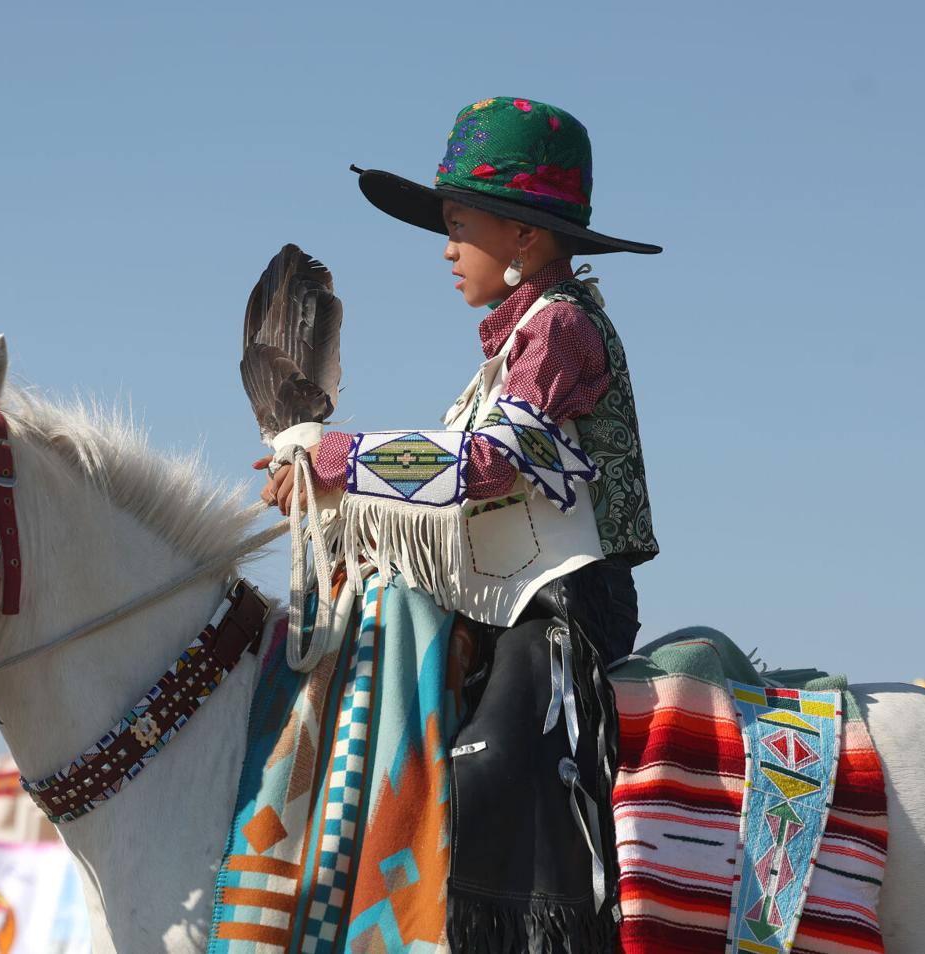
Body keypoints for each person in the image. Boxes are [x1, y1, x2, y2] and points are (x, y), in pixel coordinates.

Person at [256, 96, 660, 951]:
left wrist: (333, 461)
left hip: (558, 614)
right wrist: (329, 502)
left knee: (483, 779)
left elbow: (484, 466)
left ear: (523, 238)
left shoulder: (562, 330)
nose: (445, 250)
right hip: (499, 603)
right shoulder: (508, 352)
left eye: (458, 226)